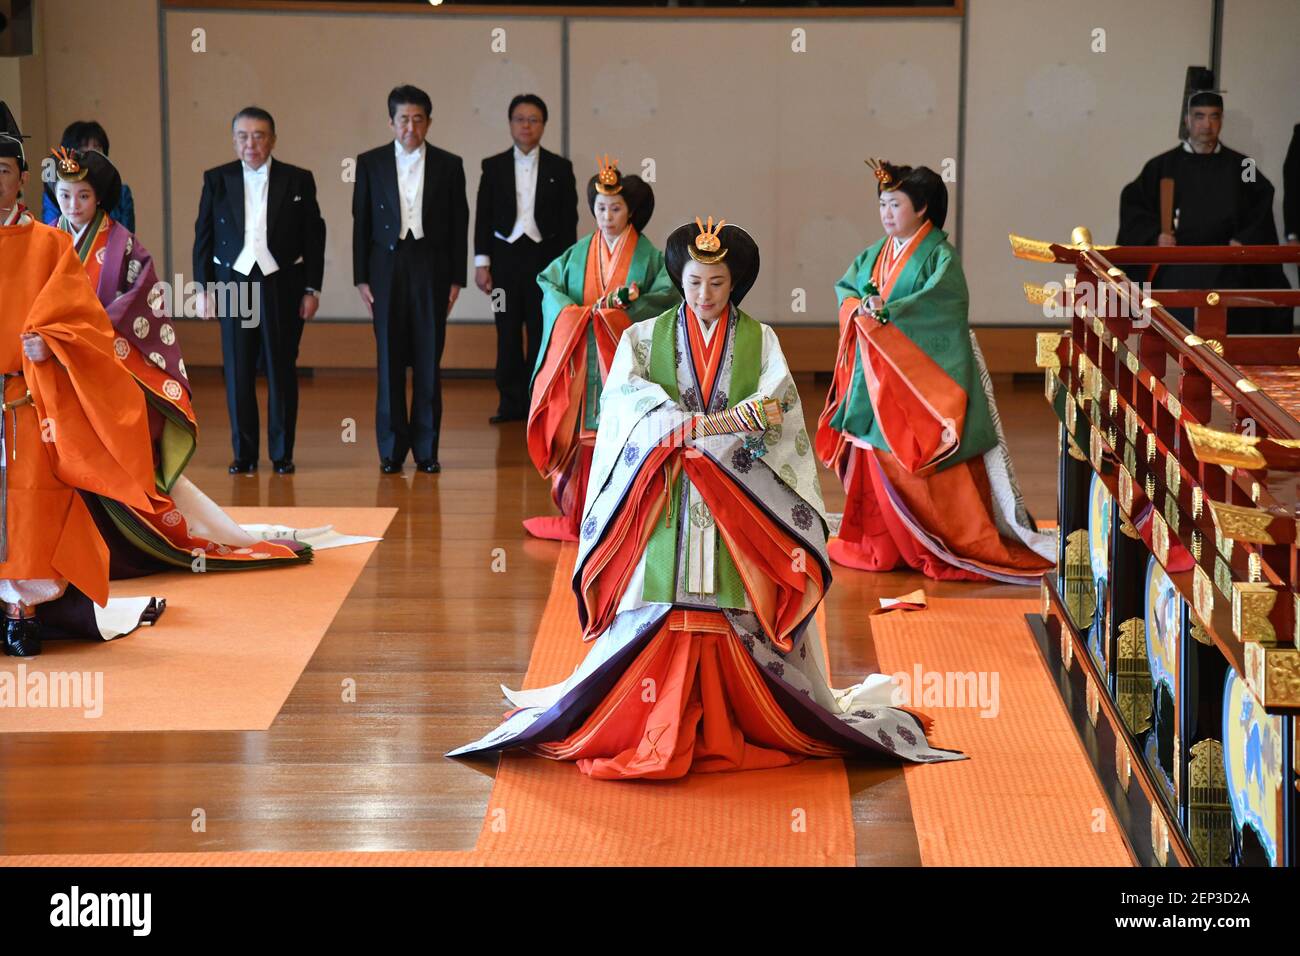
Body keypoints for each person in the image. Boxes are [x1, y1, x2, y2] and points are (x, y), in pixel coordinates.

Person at [449, 217, 965, 778]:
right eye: (694, 282)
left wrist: (711, 434)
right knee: (659, 597)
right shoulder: (643, 338)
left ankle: (741, 707)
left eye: (718, 283)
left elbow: (777, 410)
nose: (705, 294)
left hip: (736, 494)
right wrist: (680, 428)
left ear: (735, 282)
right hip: (666, 489)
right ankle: (649, 710)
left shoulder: (760, 340)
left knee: (735, 597)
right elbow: (623, 400)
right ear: (680, 279)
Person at [52, 146, 307, 576]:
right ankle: (70, 548)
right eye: (64, 195)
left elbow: (140, 304)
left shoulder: (123, 245)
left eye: (83, 196)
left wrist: (85, 336)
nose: (73, 205)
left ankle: (128, 543)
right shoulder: (47, 240)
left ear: (99, 199)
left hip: (108, 369)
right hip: (58, 369)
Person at [817, 159, 1054, 583]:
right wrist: (858, 310)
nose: (887, 213)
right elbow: (846, 291)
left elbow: (942, 307)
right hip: (875, 378)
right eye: (883, 205)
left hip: (923, 379)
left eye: (896, 204)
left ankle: (940, 541)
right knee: (876, 454)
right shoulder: (874, 255)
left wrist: (886, 316)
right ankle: (884, 545)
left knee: (928, 458)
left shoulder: (940, 257)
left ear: (922, 207)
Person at [0, 102, 164, 658]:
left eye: (3, 170)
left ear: (23, 178)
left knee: (30, 505)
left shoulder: (50, 245)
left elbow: (87, 324)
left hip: (26, 398)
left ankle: (22, 611)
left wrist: (52, 344)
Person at [523, 157, 678, 541]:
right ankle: (578, 517)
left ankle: (624, 515)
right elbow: (548, 283)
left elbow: (666, 295)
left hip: (624, 363)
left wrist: (618, 316)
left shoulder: (649, 256)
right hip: (581, 360)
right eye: (601, 208)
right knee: (580, 439)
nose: (607, 216)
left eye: (616, 208)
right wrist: (574, 316)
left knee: (624, 434)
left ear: (631, 212)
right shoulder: (578, 253)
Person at [194, 106, 325, 475]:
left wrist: (312, 288)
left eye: (258, 136)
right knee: (237, 371)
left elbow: (314, 237)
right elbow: (203, 237)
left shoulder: (298, 179)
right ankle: (245, 454)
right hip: (233, 283)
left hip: (282, 284)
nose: (250, 143)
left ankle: (282, 454)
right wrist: (204, 289)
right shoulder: (216, 179)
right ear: (234, 141)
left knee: (281, 369)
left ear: (273, 139)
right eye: (243, 136)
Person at [354, 85, 468, 474]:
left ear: (428, 123)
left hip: (431, 266)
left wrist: (456, 278)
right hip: (385, 267)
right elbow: (361, 223)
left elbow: (459, 224)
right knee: (388, 359)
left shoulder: (450, 164)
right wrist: (361, 277)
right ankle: (390, 450)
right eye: (403, 118)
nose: (410, 126)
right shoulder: (369, 163)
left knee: (428, 359)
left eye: (418, 119)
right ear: (391, 122)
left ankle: (426, 450)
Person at [1117, 84, 1293, 332]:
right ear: (1187, 120)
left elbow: (1262, 200)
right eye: (1199, 116)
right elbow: (1133, 205)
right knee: (1170, 317)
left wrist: (1244, 239)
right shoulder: (1161, 165)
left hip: (1227, 263)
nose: (1206, 124)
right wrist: (1156, 236)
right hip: (1177, 264)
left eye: (1213, 116)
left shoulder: (1244, 165)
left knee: (1244, 309)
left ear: (1221, 121)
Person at [474, 94, 578, 424]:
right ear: (510, 123)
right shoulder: (492, 166)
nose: (526, 125)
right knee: (505, 330)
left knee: (540, 331)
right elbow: (482, 217)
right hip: (502, 264)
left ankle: (537, 402)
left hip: (543, 262)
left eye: (534, 119)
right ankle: (509, 403)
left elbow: (569, 222)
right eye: (520, 119)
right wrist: (481, 264)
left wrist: (565, 269)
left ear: (543, 125)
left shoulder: (561, 168)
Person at [42, 120, 135, 232]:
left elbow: (126, 236)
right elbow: (51, 229)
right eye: (82, 149)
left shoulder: (122, 193)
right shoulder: (57, 190)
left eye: (97, 148)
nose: (91, 155)